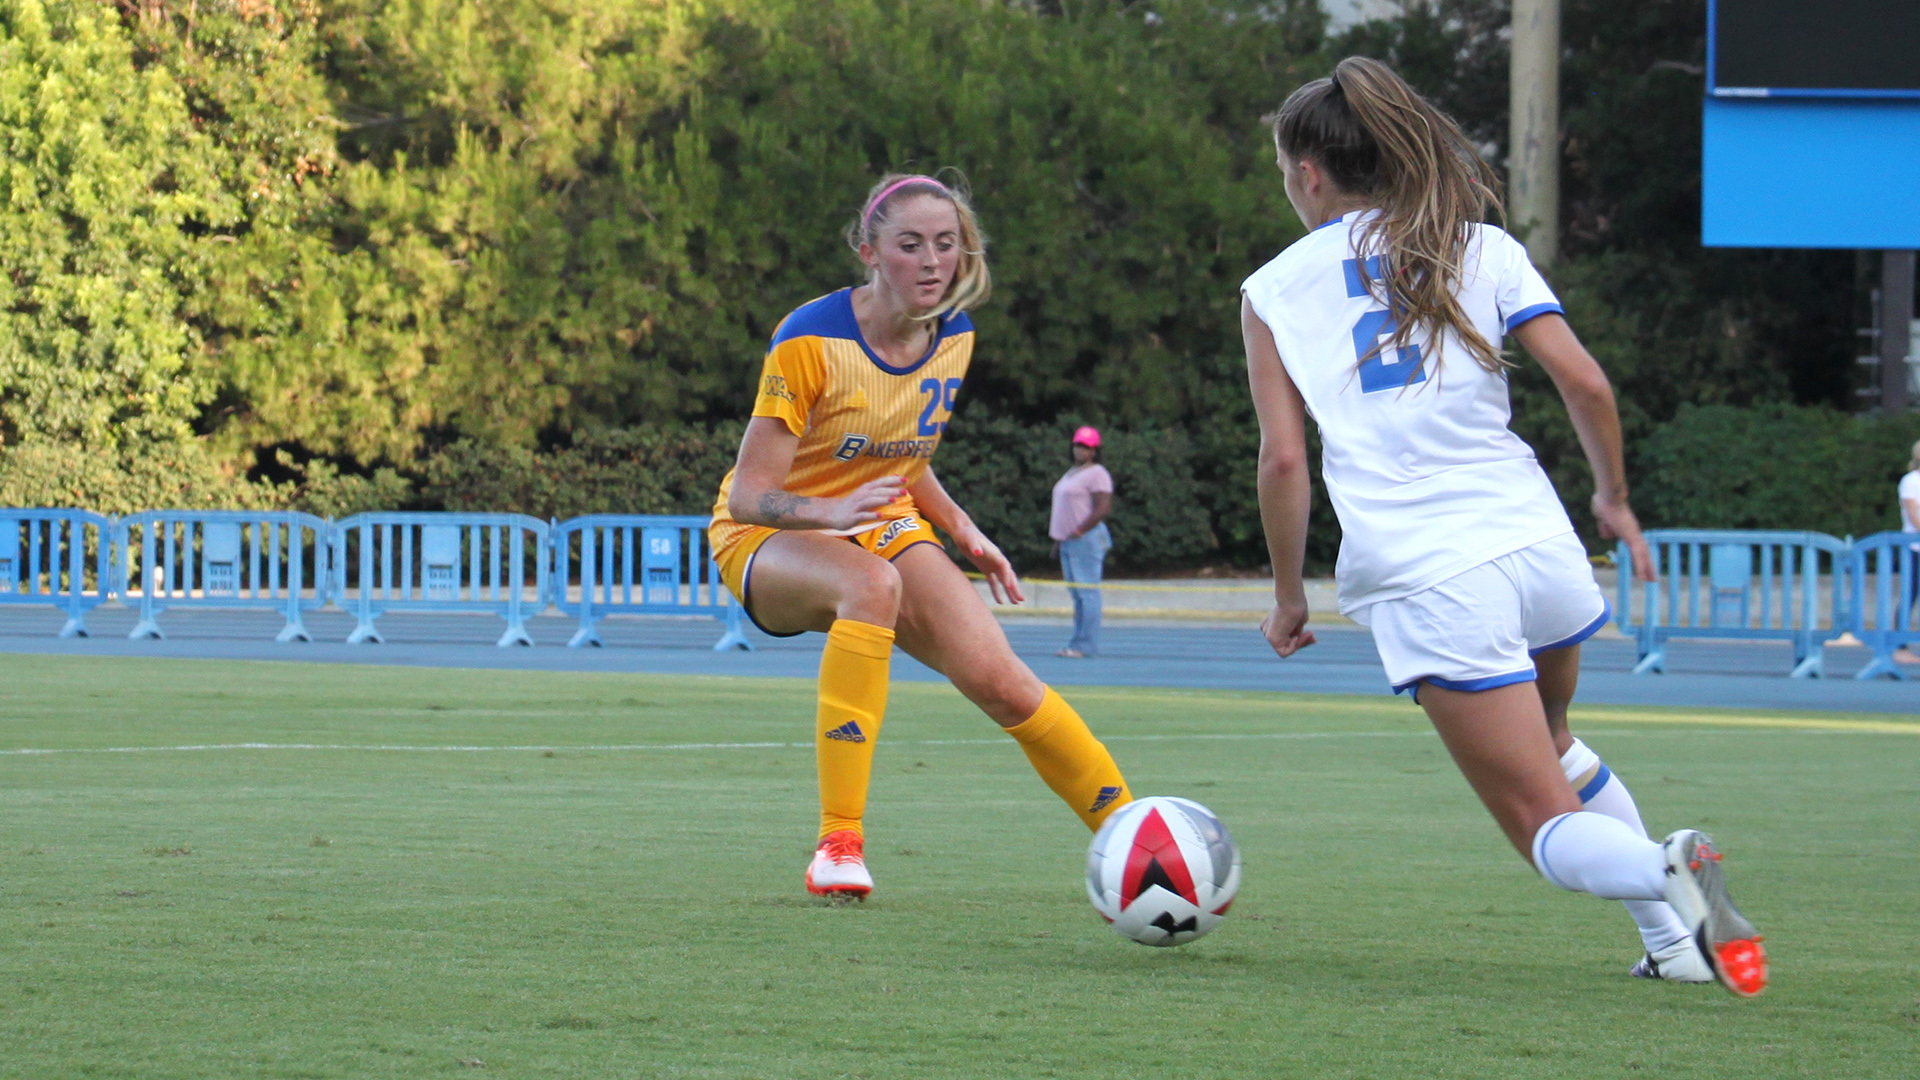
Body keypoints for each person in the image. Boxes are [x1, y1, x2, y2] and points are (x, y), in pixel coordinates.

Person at [1241, 57, 1766, 995]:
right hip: (1538, 543)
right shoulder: (1475, 244)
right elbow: (1586, 382)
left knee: (1543, 828)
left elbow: (1283, 462)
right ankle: (1676, 944)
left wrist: (1288, 595)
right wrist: (1613, 497)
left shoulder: (1273, 289)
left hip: (1434, 571)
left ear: (1309, 175)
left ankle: (1665, 868)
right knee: (1555, 738)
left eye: (1285, 171)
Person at [707, 172, 1133, 900]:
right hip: (764, 536)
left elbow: (903, 453)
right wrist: (832, 514)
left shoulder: (954, 335)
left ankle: (1134, 832)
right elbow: (750, 495)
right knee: (872, 583)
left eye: (946, 243)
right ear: (869, 252)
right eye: (910, 245)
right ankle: (838, 844)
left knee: (1004, 683)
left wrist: (962, 528)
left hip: (880, 519)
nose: (933, 262)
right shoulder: (808, 339)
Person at [1049, 426, 1114, 658]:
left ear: (1094, 451)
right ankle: (1077, 642)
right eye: (1078, 445)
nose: (1080, 450)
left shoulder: (1097, 473)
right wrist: (1059, 539)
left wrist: (1079, 530)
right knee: (1078, 596)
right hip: (1069, 541)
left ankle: (1085, 645)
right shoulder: (1072, 472)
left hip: (1086, 539)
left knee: (1088, 594)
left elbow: (1103, 507)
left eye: (1086, 447)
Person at [1896, 440, 1920, 663]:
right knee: (1910, 594)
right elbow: (1913, 516)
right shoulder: (1911, 481)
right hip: (1914, 547)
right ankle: (1899, 648)